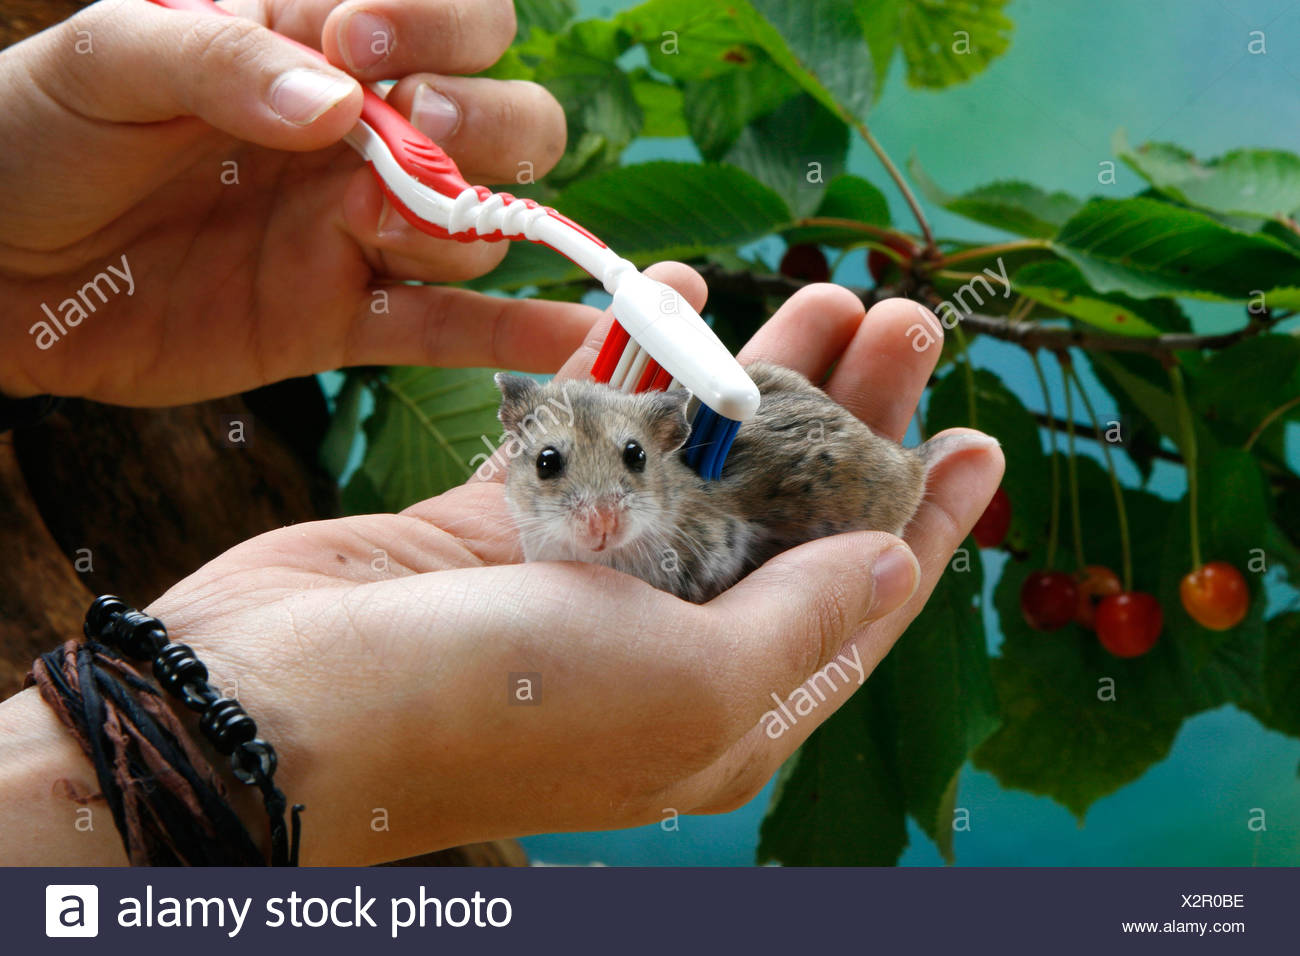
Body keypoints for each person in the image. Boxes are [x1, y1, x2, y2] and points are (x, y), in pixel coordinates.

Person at [0, 0, 1003, 865]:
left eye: (630, 469)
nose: (598, 510)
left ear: (664, 435)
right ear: (518, 442)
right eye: (557, 468)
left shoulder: (685, 488)